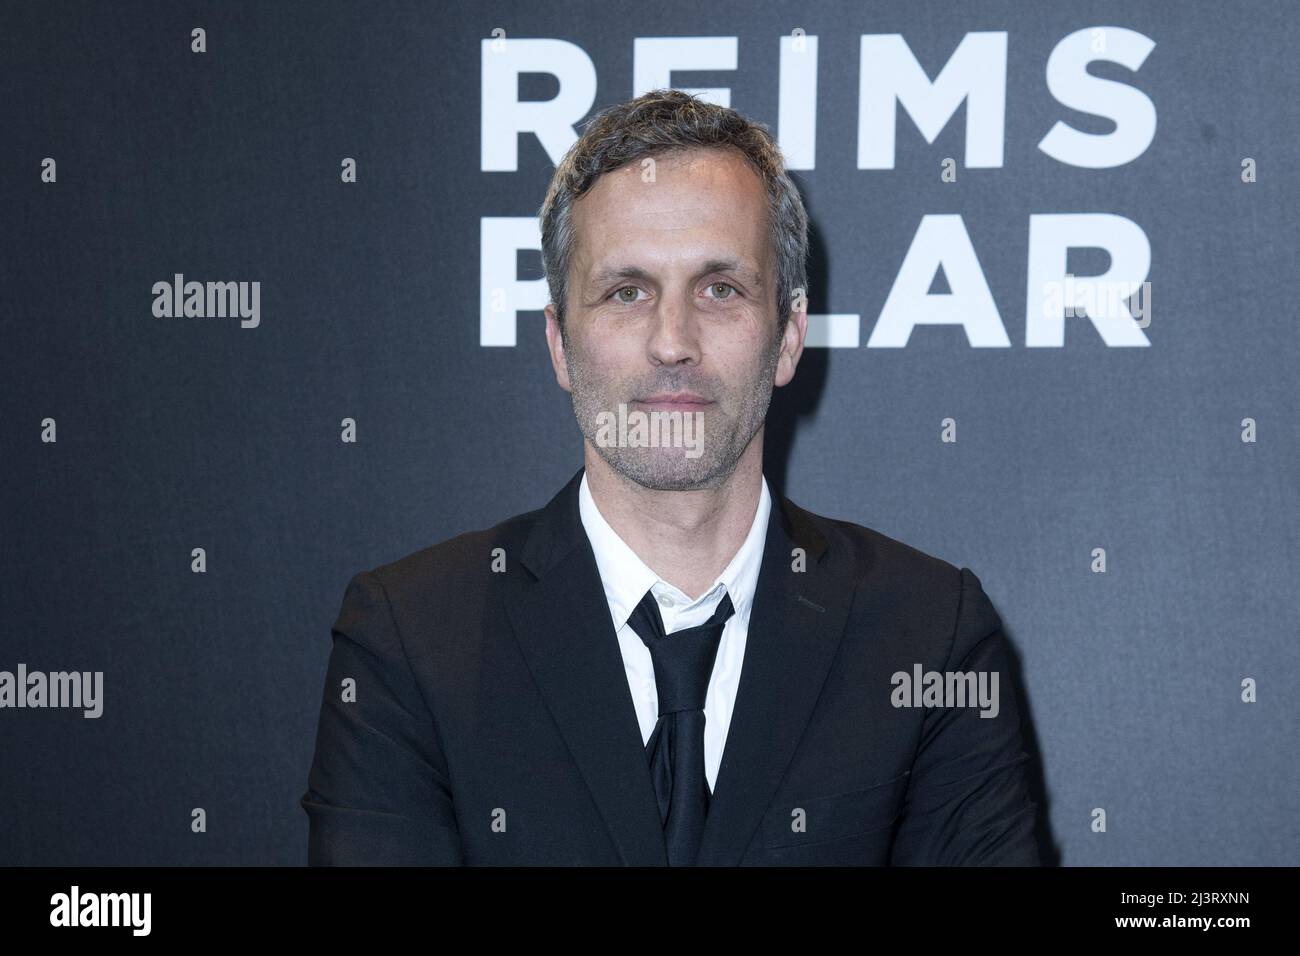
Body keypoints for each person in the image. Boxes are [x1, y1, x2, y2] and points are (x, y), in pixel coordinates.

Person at [300, 89, 1042, 866]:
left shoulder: (928, 634)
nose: (673, 342)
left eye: (720, 288)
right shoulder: (410, 639)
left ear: (788, 337)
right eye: (628, 292)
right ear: (559, 342)